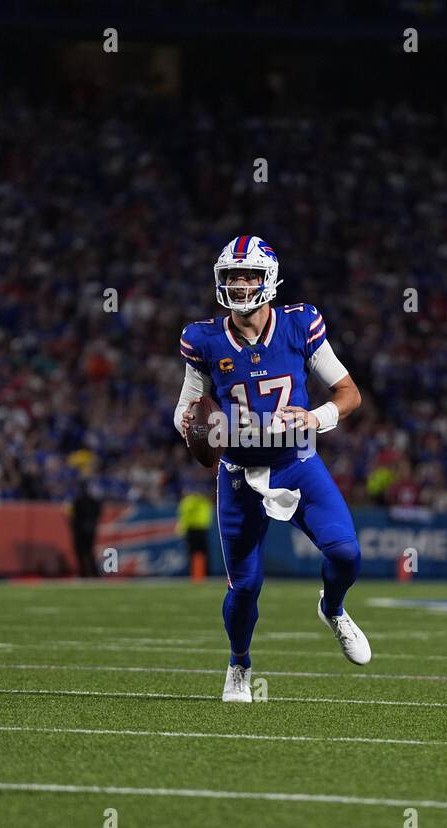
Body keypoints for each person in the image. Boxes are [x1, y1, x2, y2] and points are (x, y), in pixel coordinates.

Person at [175, 235, 368, 703]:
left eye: (249, 276)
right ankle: (239, 664)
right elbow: (186, 408)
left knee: (345, 554)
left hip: (296, 462)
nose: (240, 285)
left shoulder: (300, 325)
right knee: (245, 587)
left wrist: (316, 418)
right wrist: (194, 429)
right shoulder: (202, 338)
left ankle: (333, 608)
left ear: (269, 280)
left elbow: (349, 393)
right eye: (232, 277)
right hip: (239, 473)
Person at [176, 486, 213, 581]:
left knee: (193, 553)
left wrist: (182, 529)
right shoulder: (204, 501)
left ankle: (196, 575)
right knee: (202, 553)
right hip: (200, 529)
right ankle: (202, 575)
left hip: (193, 530)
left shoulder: (186, 502)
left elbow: (183, 517)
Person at [69, 481, 101, 577]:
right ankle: (94, 573)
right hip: (89, 529)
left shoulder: (77, 500)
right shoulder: (94, 501)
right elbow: (98, 514)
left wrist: (74, 527)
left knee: (81, 552)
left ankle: (84, 573)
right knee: (89, 552)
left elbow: (73, 517)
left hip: (80, 530)